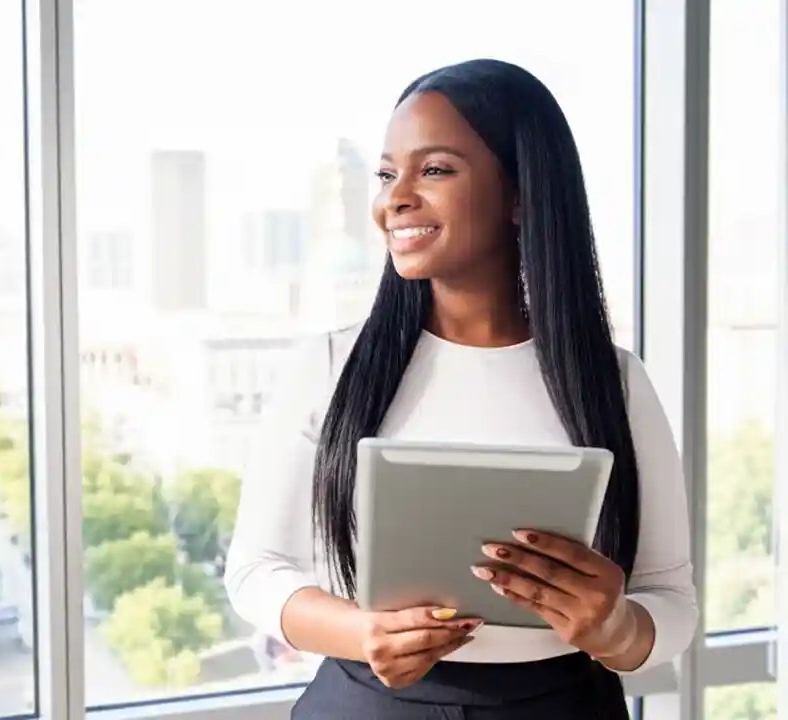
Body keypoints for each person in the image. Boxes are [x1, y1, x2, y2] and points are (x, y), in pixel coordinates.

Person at [223, 59, 697, 719]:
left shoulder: (612, 382)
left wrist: (614, 627)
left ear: (521, 195)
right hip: (367, 705)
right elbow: (255, 570)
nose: (395, 198)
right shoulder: (328, 365)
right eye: (389, 173)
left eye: (435, 169)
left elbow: (671, 599)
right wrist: (363, 634)